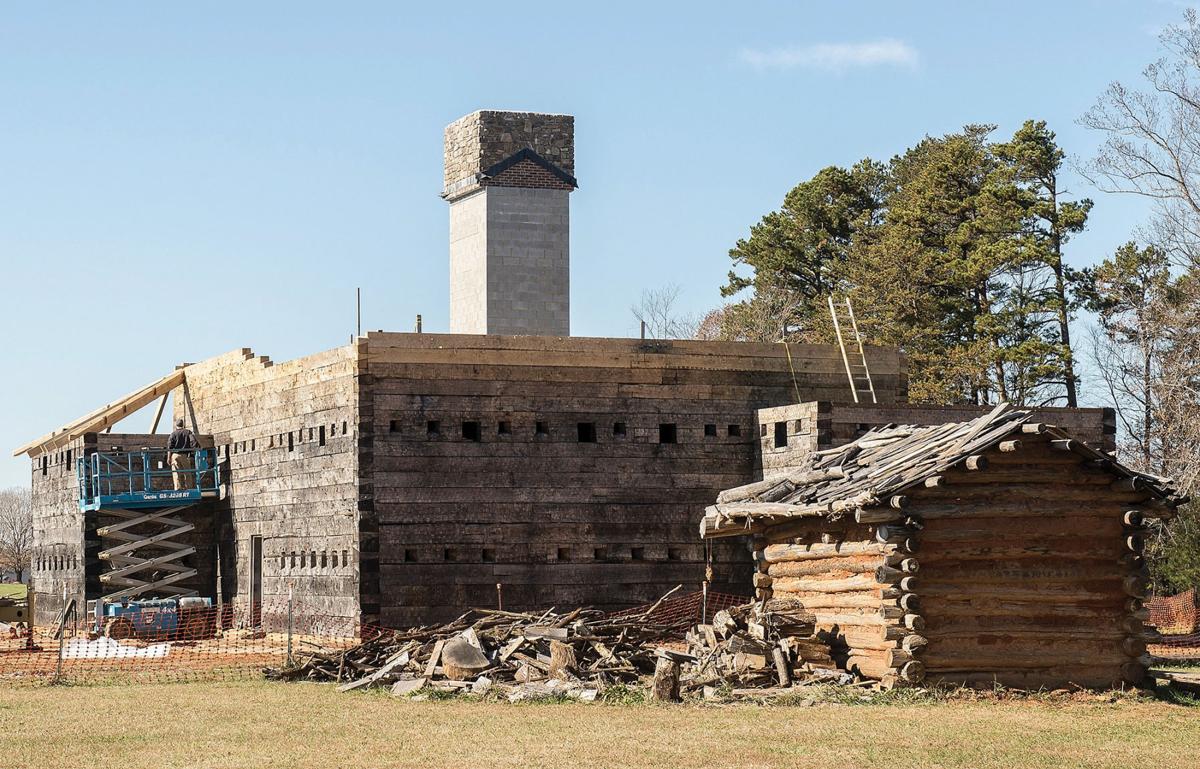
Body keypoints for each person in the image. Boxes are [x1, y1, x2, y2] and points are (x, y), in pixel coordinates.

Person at [167, 418, 199, 490]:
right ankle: (189, 488)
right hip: (184, 455)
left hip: (175, 455)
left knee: (176, 472)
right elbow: (193, 441)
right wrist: (196, 449)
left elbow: (169, 447)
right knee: (187, 472)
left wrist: (168, 458)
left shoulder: (173, 434)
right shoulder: (188, 432)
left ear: (176, 425)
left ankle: (178, 488)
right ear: (183, 425)